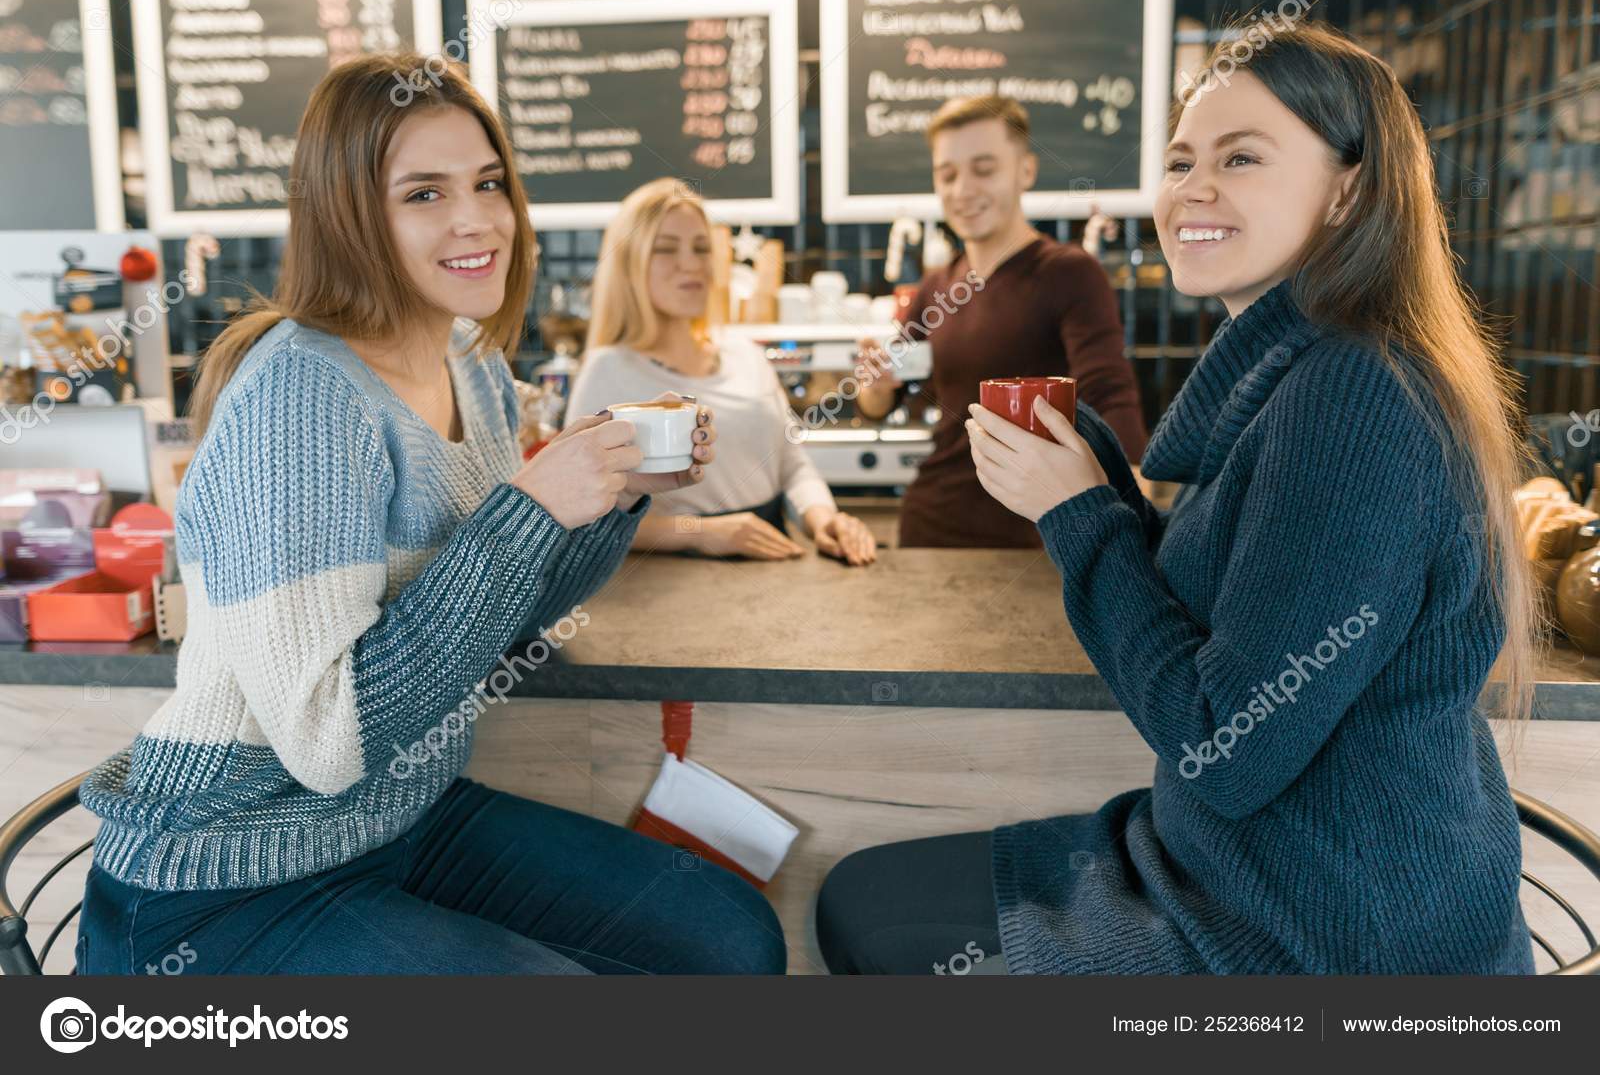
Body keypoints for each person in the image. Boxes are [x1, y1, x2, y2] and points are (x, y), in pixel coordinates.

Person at [816, 23, 1542, 975]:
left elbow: (1225, 745)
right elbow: (1238, 609)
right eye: (1179, 160)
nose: (1192, 189)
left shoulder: (1350, 394)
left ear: (1350, 189)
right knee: (860, 900)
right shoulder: (1308, 371)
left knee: (866, 914)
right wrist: (1098, 485)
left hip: (1323, 935)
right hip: (1240, 870)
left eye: (1241, 158)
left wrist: (1078, 515)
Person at [75, 54, 786, 976]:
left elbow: (508, 619)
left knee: (730, 934)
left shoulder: (473, 363)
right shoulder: (305, 396)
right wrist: (529, 507)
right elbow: (331, 740)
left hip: (396, 814)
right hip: (227, 876)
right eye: (423, 193)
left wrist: (612, 493)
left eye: (488, 182)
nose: (477, 218)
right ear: (349, 215)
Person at [855, 95, 1147, 548]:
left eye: (984, 169)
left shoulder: (1068, 273)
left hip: (1036, 535)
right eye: (947, 174)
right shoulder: (936, 287)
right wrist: (874, 386)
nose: (962, 190)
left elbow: (1110, 392)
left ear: (1026, 171)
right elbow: (881, 403)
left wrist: (1135, 501)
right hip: (931, 527)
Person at [565, 177, 877, 566]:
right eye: (666, 249)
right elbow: (581, 516)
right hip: (671, 581)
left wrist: (823, 519)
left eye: (701, 248)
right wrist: (703, 531)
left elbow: (791, 465)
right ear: (629, 264)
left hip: (771, 560)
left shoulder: (744, 354)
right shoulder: (608, 371)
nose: (690, 264)